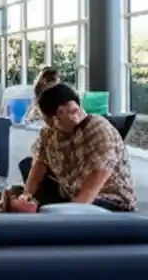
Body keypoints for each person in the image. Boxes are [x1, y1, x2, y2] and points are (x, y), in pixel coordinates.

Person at [14, 83, 136, 212]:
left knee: (58, 216)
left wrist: (73, 213)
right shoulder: (50, 133)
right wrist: (26, 195)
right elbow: (40, 163)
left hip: (108, 200)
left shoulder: (98, 128)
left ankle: (56, 216)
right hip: (73, 193)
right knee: (27, 164)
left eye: (74, 110)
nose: (74, 116)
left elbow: (99, 174)